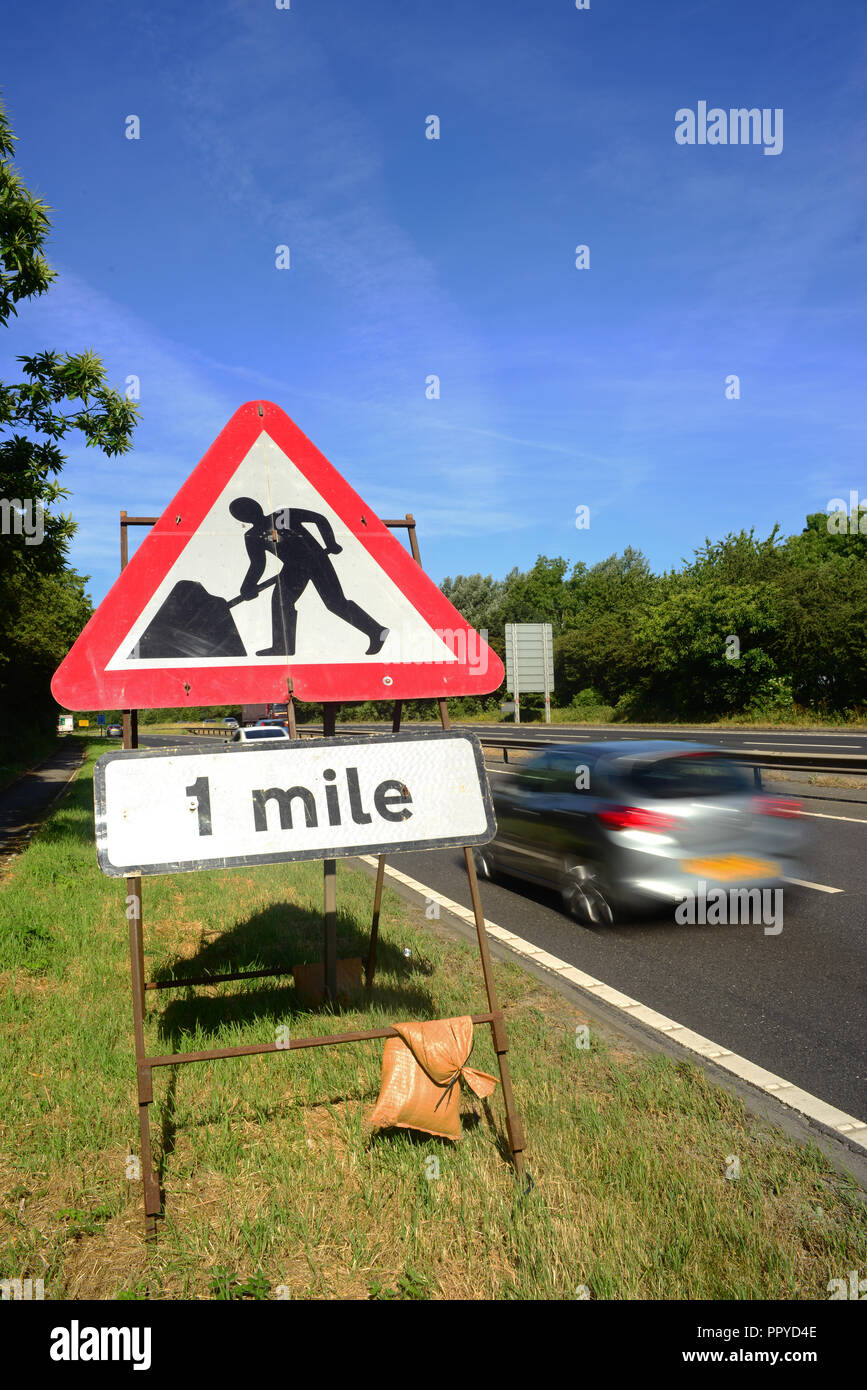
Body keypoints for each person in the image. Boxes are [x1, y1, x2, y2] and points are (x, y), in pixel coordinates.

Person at [228, 497, 388, 656]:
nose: (246, 514)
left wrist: (330, 542)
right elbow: (258, 564)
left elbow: (319, 519)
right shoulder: (253, 536)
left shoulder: (282, 515)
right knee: (281, 602)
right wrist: (248, 585)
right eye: (241, 513)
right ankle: (282, 646)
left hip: (315, 559)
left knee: (335, 603)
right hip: (293, 568)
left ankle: (376, 631)